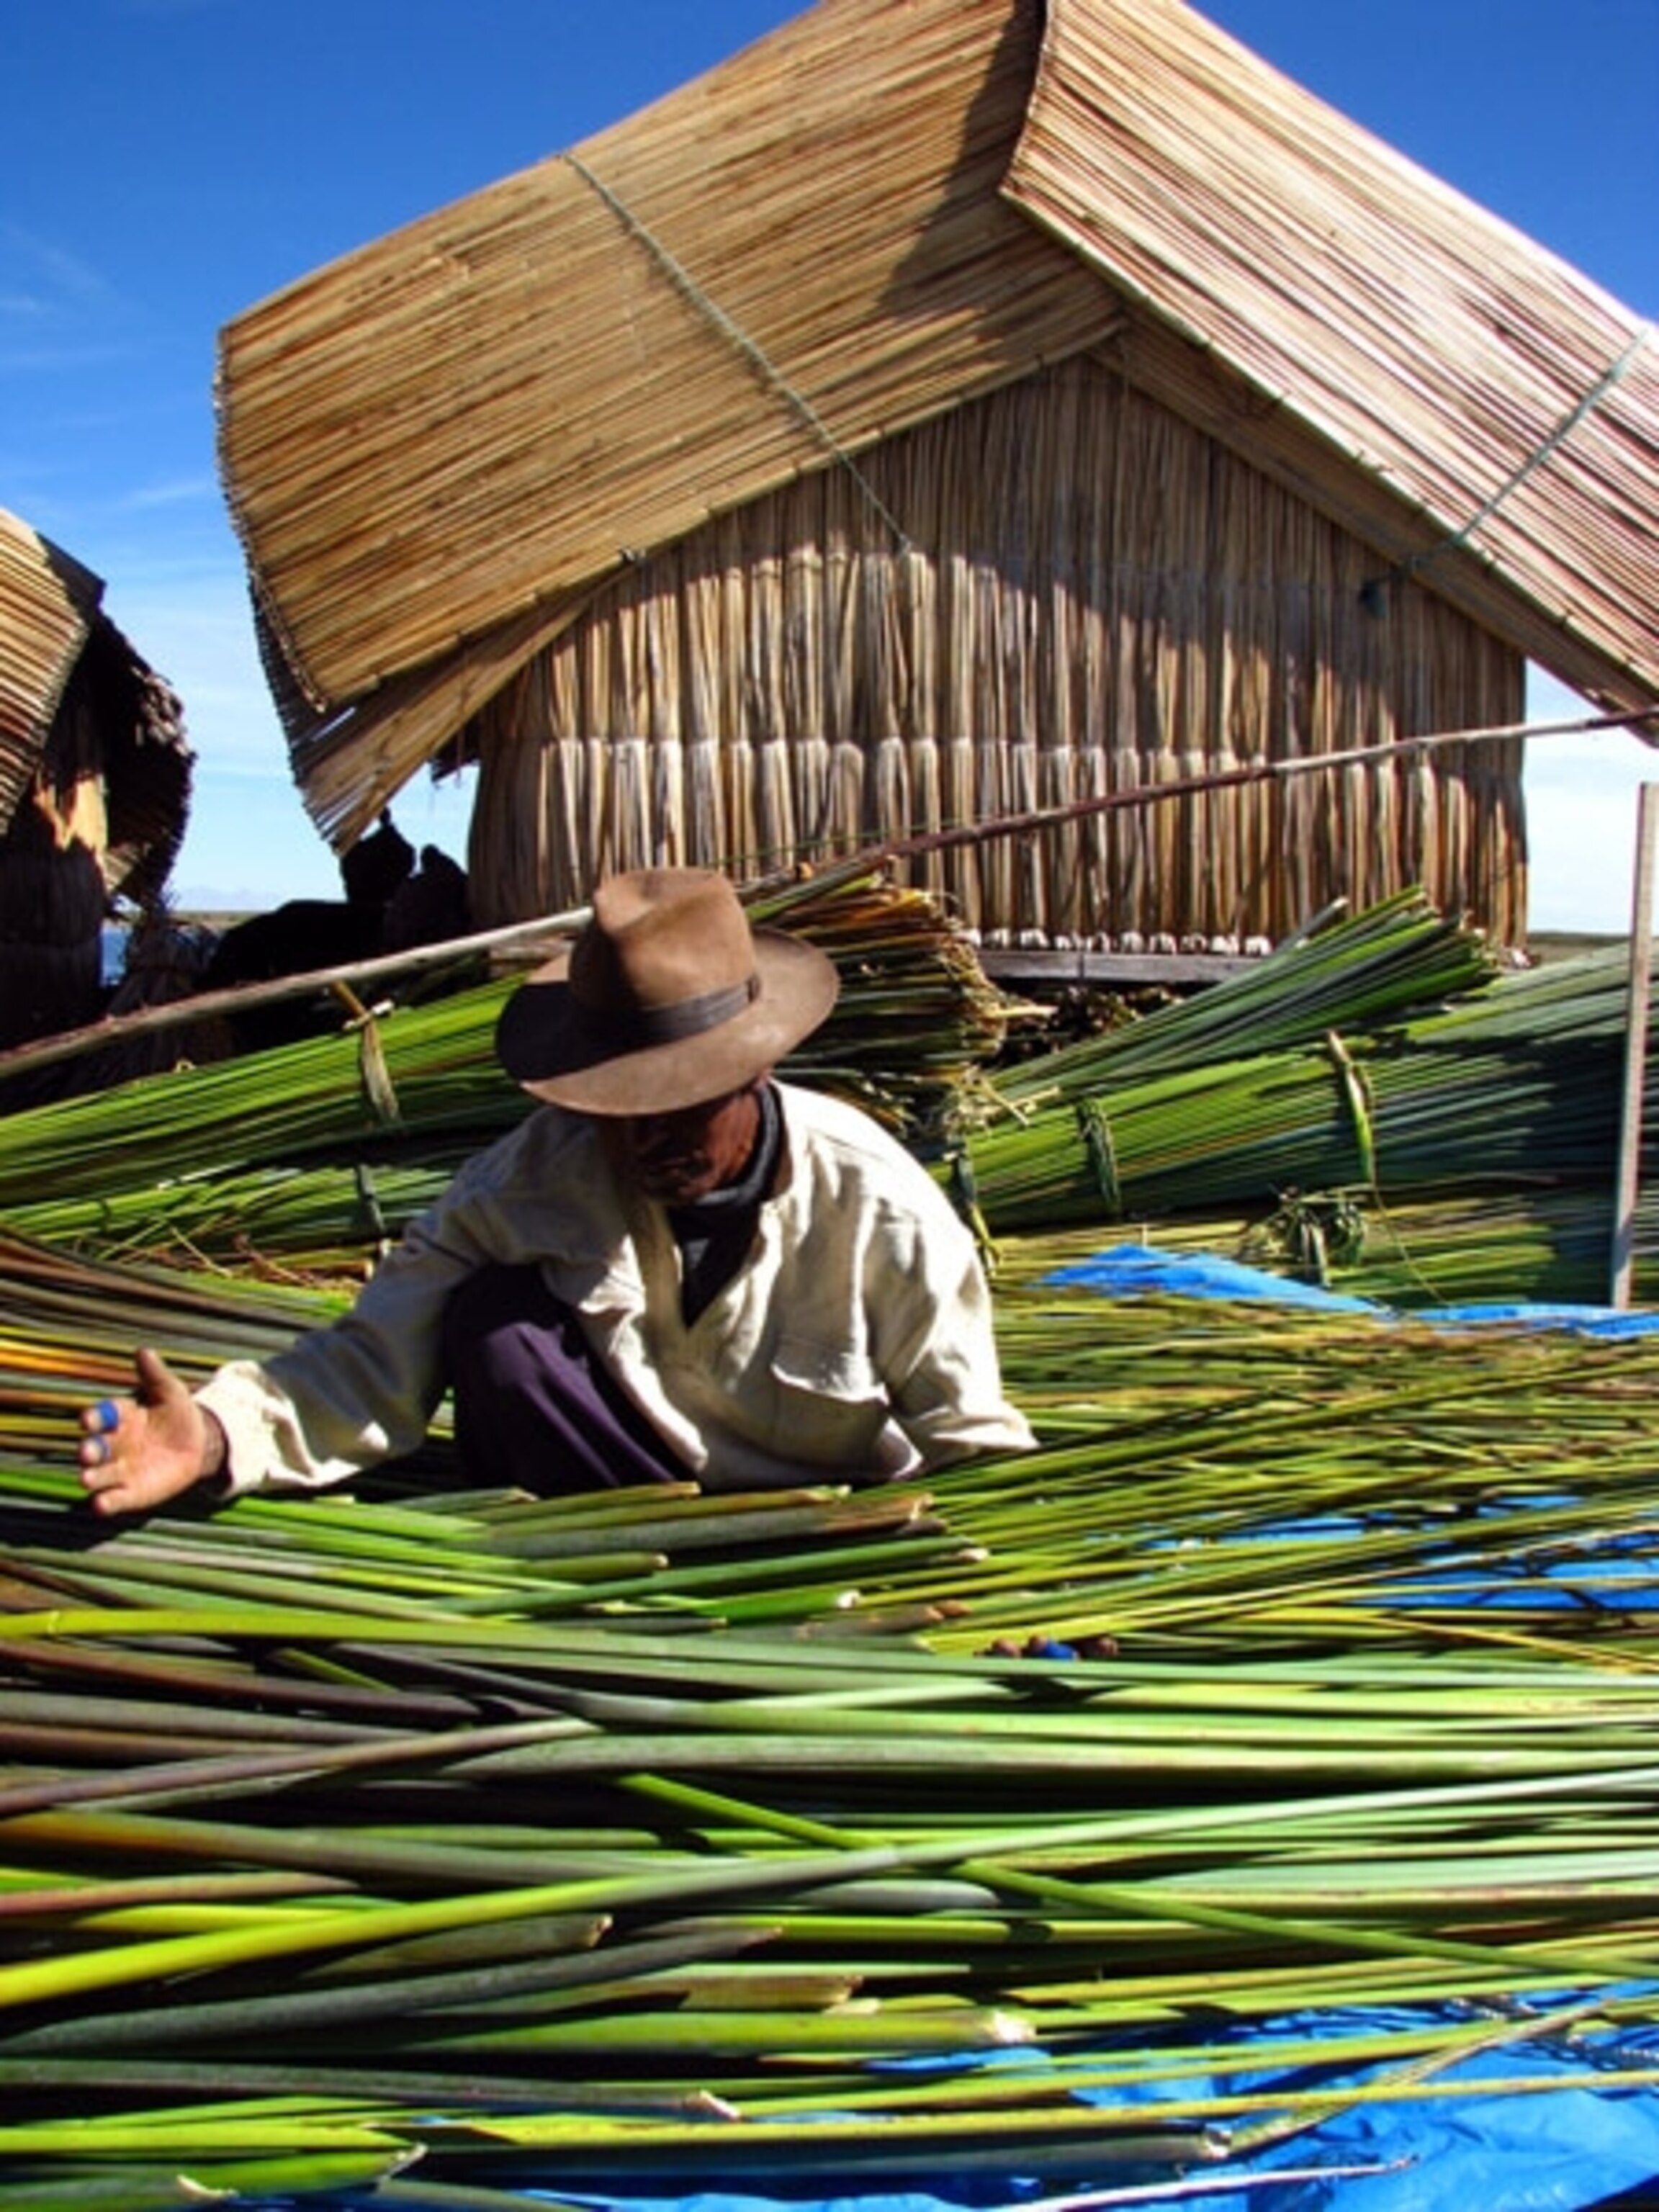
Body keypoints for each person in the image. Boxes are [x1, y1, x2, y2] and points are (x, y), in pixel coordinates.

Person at [78, 867, 1035, 1519]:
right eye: (621, 1105)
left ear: (755, 1071)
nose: (646, 1136)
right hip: (614, 1506)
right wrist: (210, 1436)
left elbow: (971, 1432)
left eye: (683, 1103)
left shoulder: (881, 1205)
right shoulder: (529, 1179)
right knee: (495, 1327)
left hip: (824, 1525)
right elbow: (371, 1358)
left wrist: (1015, 1583)